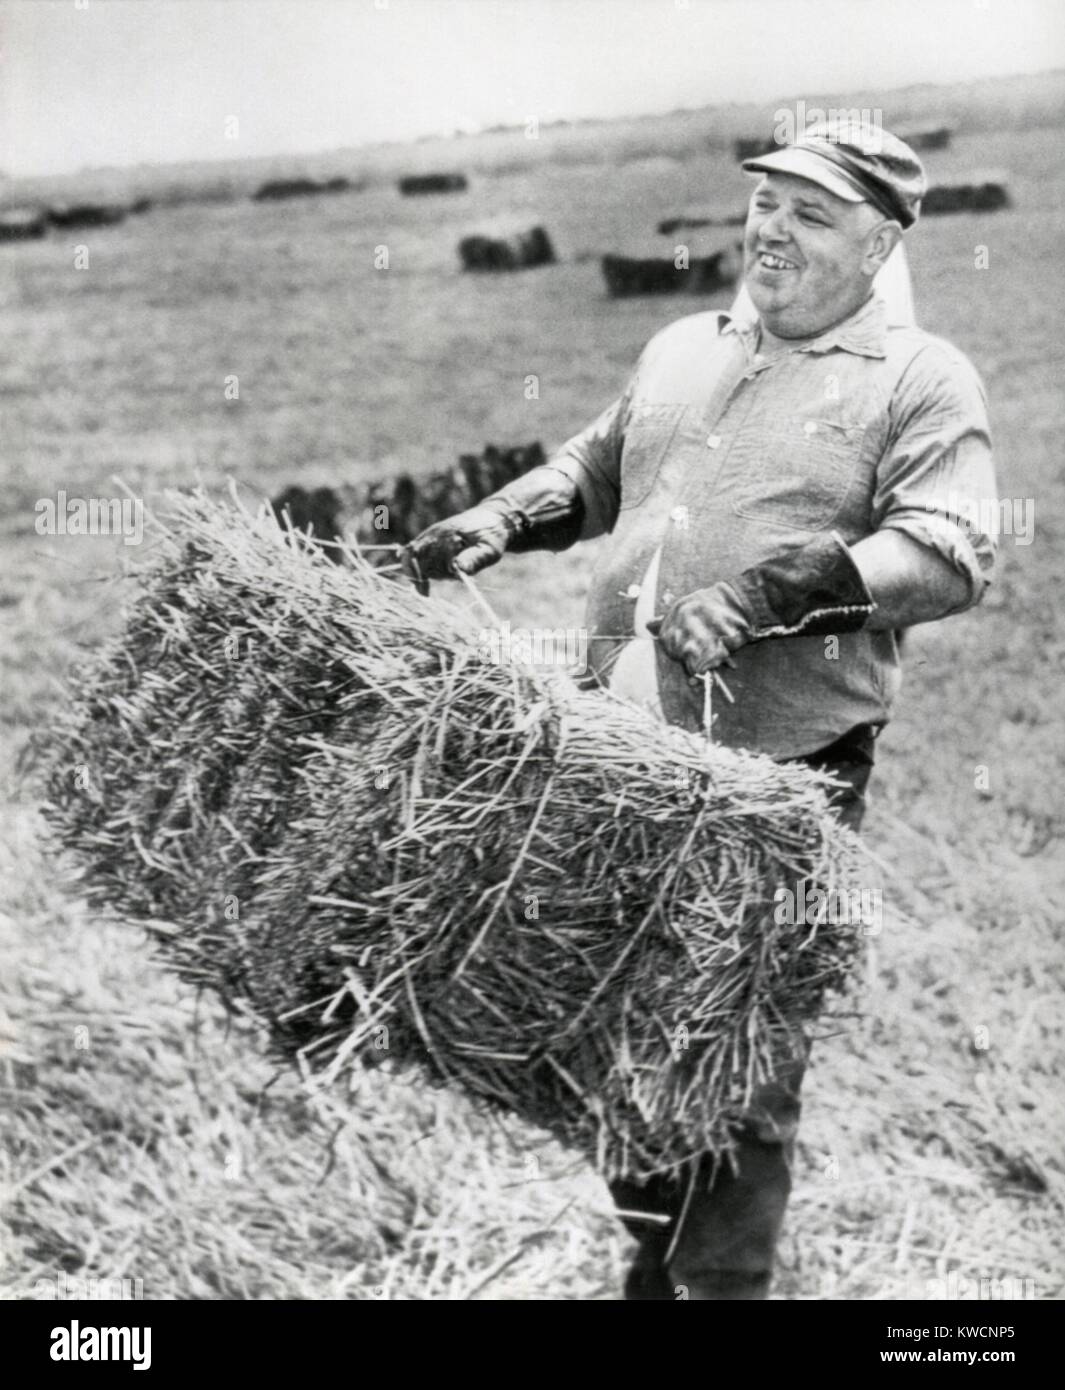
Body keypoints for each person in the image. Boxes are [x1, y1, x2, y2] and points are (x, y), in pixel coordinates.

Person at [403, 123, 998, 1300]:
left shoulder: (921, 378)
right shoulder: (685, 345)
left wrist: (779, 594)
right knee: (617, 1020)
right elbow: (599, 463)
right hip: (618, 747)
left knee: (739, 1050)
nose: (771, 228)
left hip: (778, 777)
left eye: (811, 214)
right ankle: (652, 1259)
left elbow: (949, 552)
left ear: (880, 243)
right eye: (767, 202)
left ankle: (720, 1290)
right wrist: (502, 517)